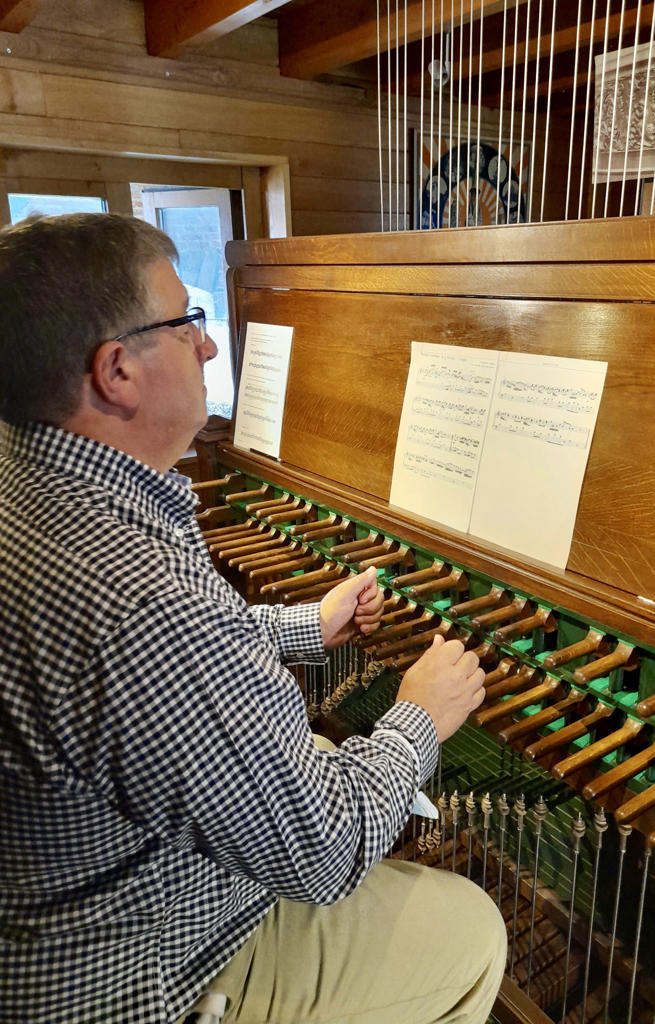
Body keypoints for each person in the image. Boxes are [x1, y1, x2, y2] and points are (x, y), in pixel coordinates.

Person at [0, 213, 507, 1024]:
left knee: (304, 749)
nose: (207, 346)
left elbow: (161, 672)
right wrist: (420, 716)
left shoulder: (32, 478)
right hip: (142, 972)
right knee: (471, 928)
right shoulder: (135, 595)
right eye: (185, 322)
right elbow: (323, 847)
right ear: (116, 372)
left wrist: (304, 625)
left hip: (66, 908)